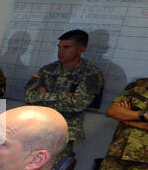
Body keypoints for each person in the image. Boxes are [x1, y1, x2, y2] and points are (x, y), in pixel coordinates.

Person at [22, 28, 105, 160]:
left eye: (66, 47)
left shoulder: (91, 74)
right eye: (59, 47)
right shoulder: (48, 69)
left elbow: (77, 104)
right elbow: (29, 97)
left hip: (63, 132)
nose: (61, 51)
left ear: (81, 49)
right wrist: (63, 96)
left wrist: (43, 97)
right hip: (37, 128)